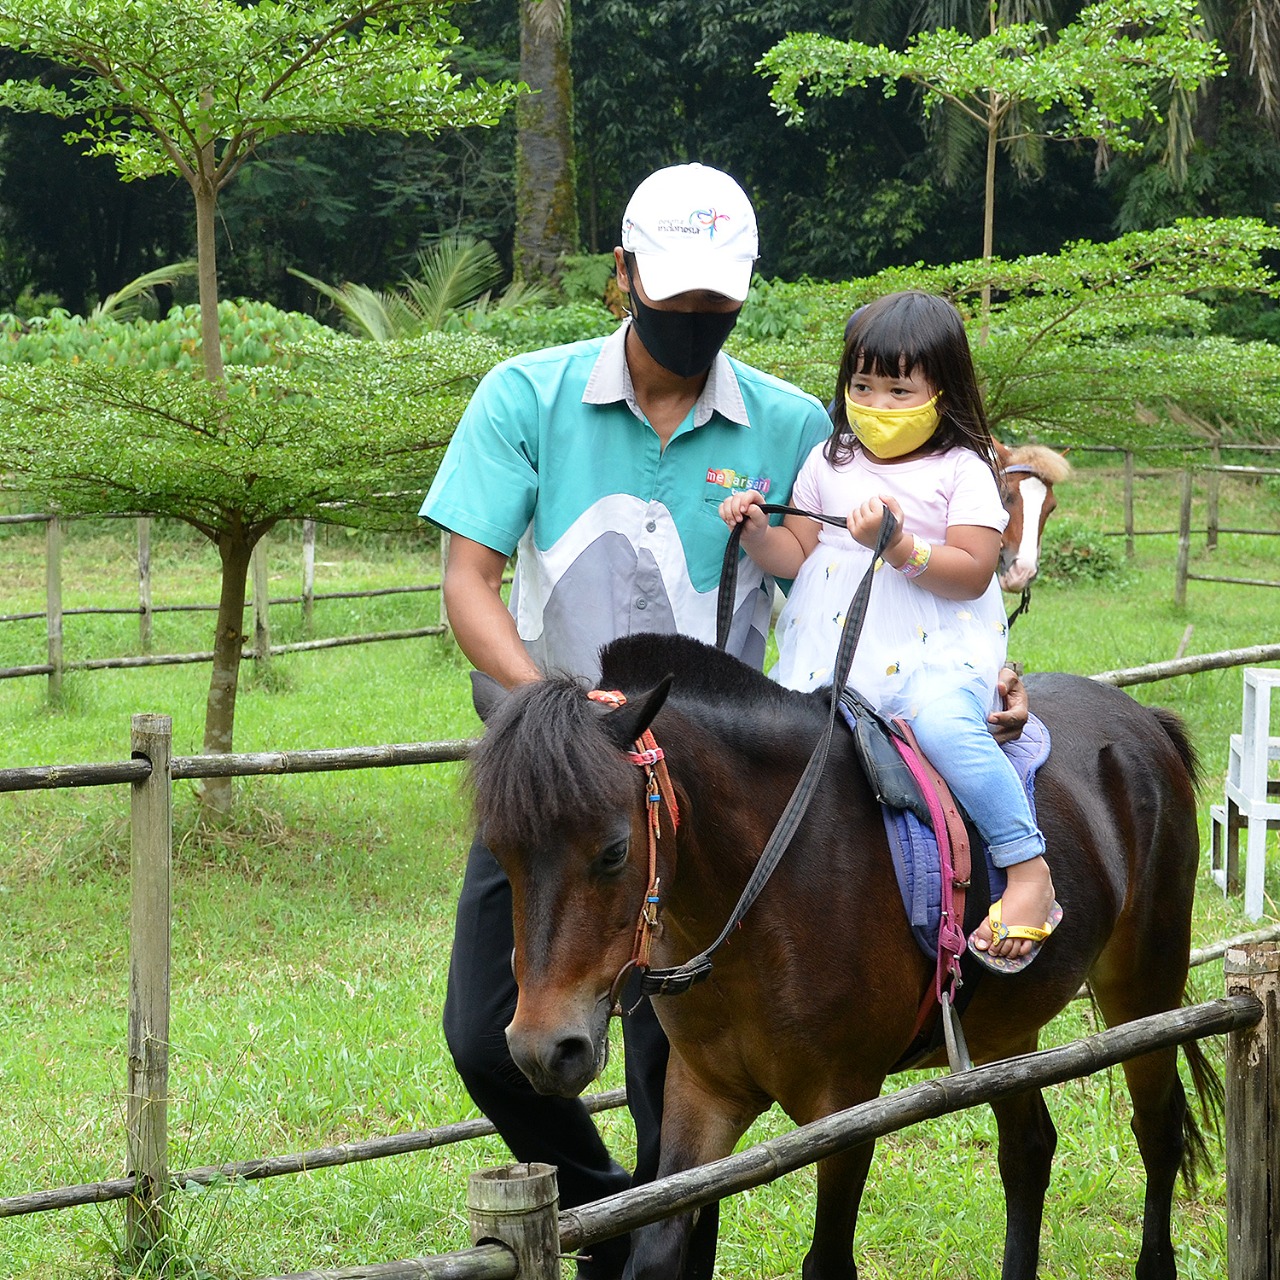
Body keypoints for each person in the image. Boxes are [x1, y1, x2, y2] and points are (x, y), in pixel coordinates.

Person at [419, 162, 835, 1280]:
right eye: (674, 294)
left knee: (674, 1072)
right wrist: (552, 717)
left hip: (706, 805)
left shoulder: (791, 424)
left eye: (715, 302)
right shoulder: (527, 397)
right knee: (486, 1034)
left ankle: (658, 1242)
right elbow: (468, 579)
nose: (692, 318)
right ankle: (618, 1221)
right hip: (556, 787)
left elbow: (842, 590)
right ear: (623, 275)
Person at [719, 290, 1060, 972]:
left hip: (934, 653)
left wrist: (901, 547)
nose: (877, 404)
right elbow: (799, 553)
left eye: (900, 390)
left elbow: (974, 571)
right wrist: (757, 533)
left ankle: (1026, 867)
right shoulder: (828, 461)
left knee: (944, 729)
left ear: (943, 391)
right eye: (862, 386)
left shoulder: (963, 469)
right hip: (830, 653)